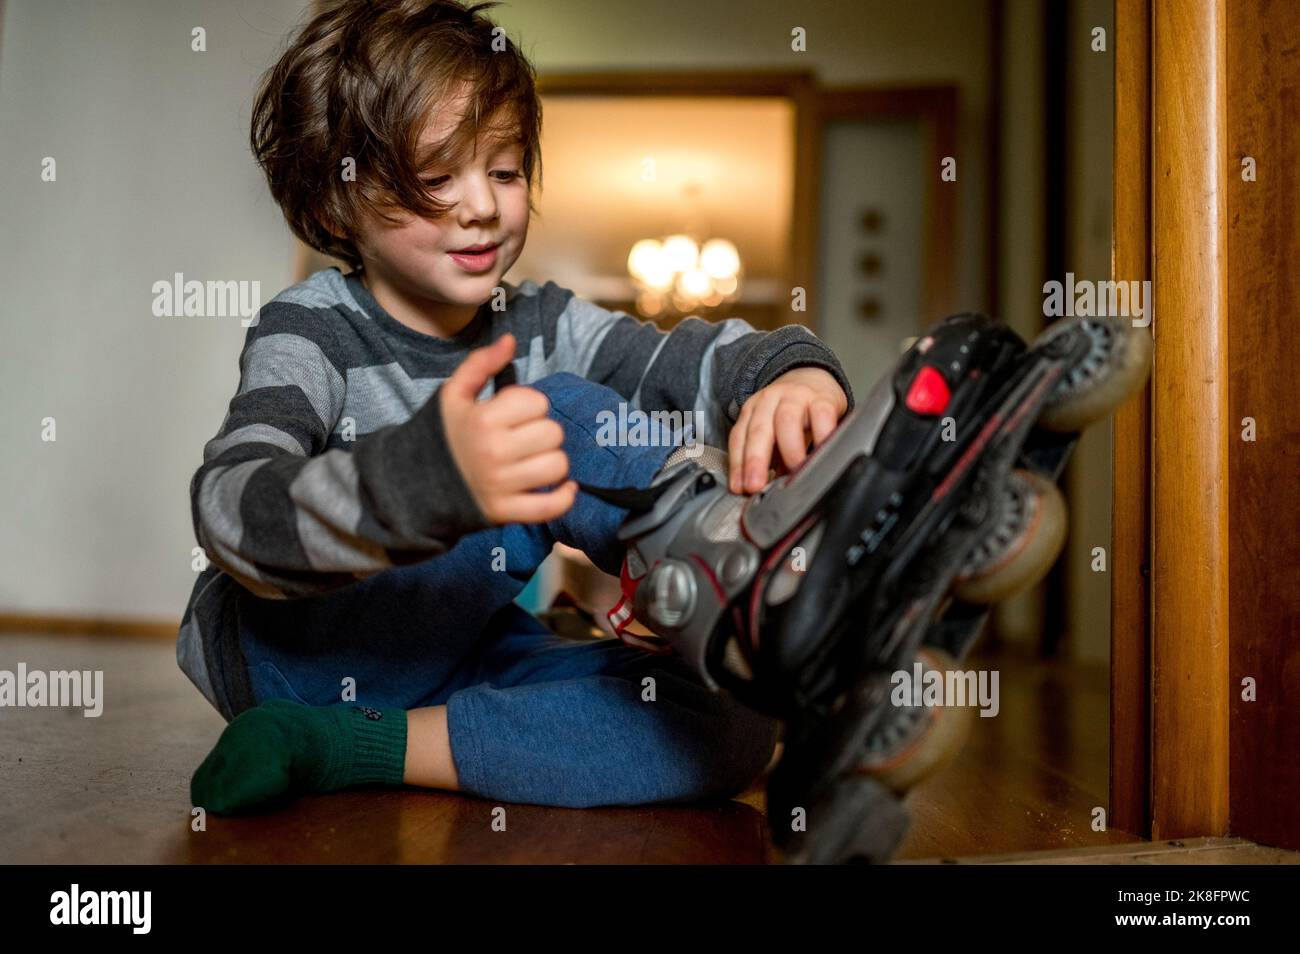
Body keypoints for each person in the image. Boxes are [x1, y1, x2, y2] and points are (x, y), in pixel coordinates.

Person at [181, 0, 854, 814]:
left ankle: (347, 744)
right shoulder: (313, 329)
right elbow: (227, 509)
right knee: (556, 414)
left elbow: (672, 360)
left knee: (725, 726)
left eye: (503, 171)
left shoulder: (540, 319)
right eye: (436, 179)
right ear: (334, 207)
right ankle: (724, 566)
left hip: (444, 657)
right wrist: (422, 482)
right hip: (295, 646)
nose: (484, 206)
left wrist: (789, 374)